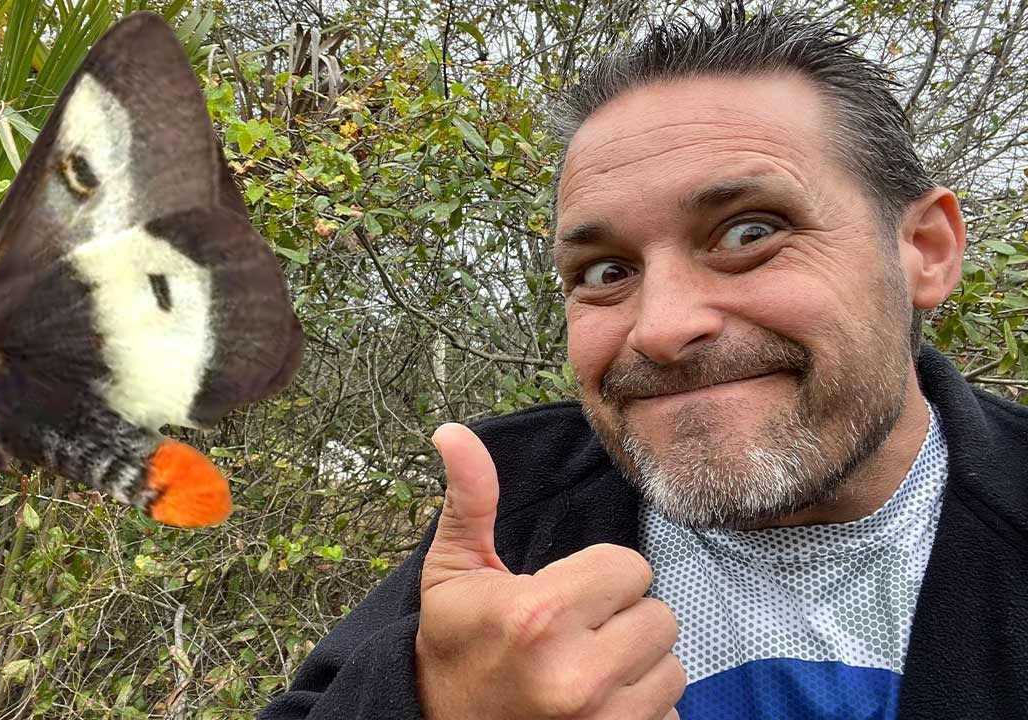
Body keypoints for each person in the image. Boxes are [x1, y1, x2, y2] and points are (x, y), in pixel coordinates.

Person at [260, 4, 1028, 719]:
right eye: (605, 273)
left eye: (749, 232)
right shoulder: (517, 507)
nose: (661, 328)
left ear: (925, 250)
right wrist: (430, 700)